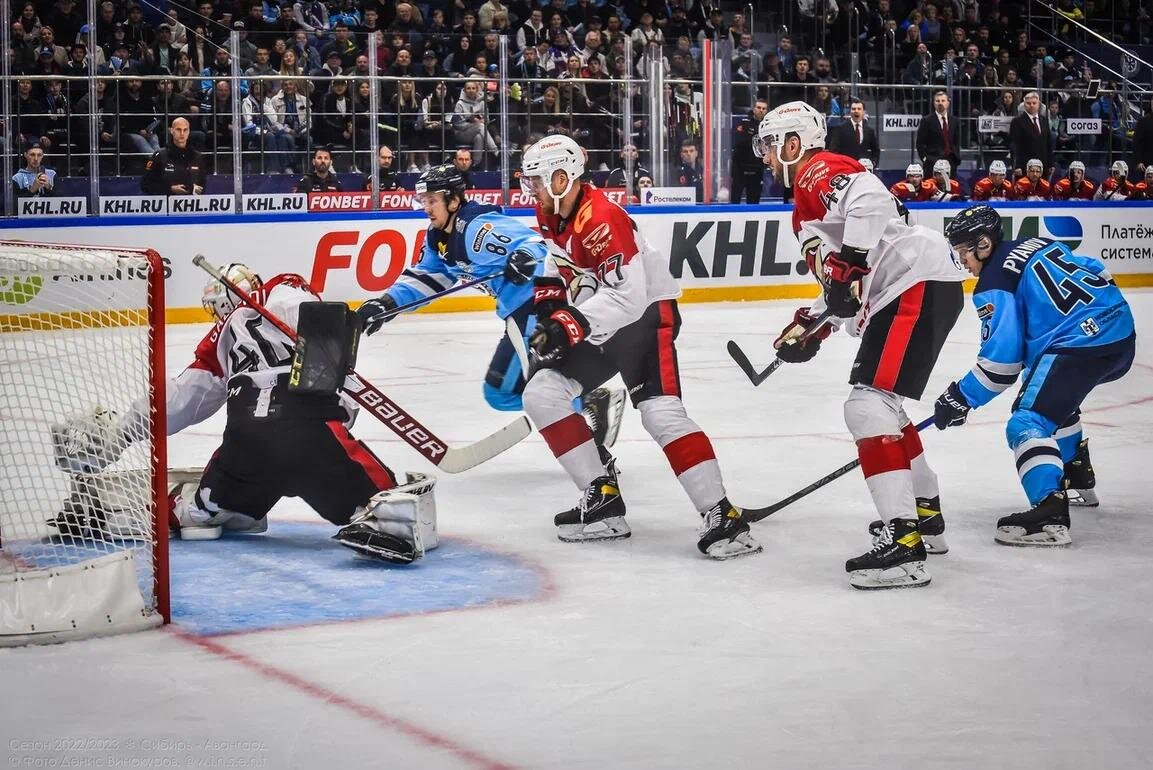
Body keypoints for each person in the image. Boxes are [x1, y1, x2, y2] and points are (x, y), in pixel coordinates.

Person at [49, 265, 434, 564]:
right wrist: (346, 354)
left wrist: (121, 432)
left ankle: (105, 516)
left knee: (195, 517)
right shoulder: (284, 290)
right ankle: (372, 514)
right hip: (308, 434)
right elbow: (324, 331)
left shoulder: (219, 339)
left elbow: (181, 400)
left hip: (244, 446)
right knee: (391, 510)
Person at [516, 134, 761, 560]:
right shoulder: (550, 212)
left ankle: (724, 517)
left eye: (536, 180)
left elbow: (629, 297)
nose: (531, 188)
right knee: (542, 393)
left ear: (561, 177)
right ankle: (602, 499)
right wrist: (549, 309)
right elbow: (561, 268)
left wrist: (568, 323)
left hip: (647, 318)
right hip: (602, 322)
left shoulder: (602, 218)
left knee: (660, 414)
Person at [756, 101, 967, 589]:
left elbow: (872, 201)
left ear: (793, 143)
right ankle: (924, 516)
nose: (766, 156)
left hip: (911, 282)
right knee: (883, 407)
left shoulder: (816, 170)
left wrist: (848, 267)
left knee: (867, 407)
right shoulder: (805, 203)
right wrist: (812, 325)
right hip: (909, 285)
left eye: (770, 145)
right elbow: (842, 286)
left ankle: (904, 545)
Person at [356, 163, 625, 448]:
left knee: (542, 386)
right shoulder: (438, 239)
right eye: (424, 201)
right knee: (499, 392)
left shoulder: (477, 228)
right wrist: (384, 304)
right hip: (515, 314)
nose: (427, 207)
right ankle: (591, 402)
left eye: (432, 200)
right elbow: (427, 278)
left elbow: (535, 243)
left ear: (454, 199)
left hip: (536, 305)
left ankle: (589, 448)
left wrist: (523, 257)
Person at [933, 205, 1135, 545]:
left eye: (962, 251)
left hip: (1080, 346)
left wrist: (960, 397)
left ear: (983, 244)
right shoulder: (1037, 242)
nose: (962, 262)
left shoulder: (993, 282)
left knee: (1026, 422)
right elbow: (1096, 269)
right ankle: (1075, 473)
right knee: (1053, 399)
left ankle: (1049, 512)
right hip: (1121, 334)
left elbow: (1002, 364)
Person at [141, 118, 206, 195]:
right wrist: (169, 189)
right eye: (178, 129)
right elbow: (145, 185)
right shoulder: (160, 155)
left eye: (185, 130)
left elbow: (202, 186)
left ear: (189, 132)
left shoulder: (197, 157)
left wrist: (195, 189)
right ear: (172, 131)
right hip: (166, 204)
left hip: (190, 204)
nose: (182, 133)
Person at [731, 99, 768, 203]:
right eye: (759, 107)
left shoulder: (768, 126)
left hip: (757, 168)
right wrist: (755, 136)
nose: (761, 110)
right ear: (754, 109)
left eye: (764, 108)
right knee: (735, 198)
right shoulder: (744, 123)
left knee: (754, 199)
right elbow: (738, 142)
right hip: (740, 167)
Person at [1009, 91, 1053, 180]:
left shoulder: (1044, 120)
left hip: (1043, 166)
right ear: (1024, 105)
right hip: (1025, 166)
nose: (1032, 105)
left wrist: (1051, 163)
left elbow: (1048, 143)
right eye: (1029, 103)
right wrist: (1016, 165)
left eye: (1034, 103)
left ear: (1038, 105)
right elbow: (1014, 145)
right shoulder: (1017, 121)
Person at [916, 90, 960, 176]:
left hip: (951, 162)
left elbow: (956, 142)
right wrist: (925, 159)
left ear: (948, 103)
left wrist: (956, 156)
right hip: (932, 162)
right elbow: (919, 144)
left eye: (943, 101)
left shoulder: (954, 120)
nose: (940, 103)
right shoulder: (926, 120)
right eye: (937, 101)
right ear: (934, 103)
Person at [827, 97, 880, 167]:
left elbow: (876, 150)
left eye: (859, 109)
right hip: (846, 169)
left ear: (864, 112)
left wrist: (873, 163)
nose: (856, 111)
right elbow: (833, 150)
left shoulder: (869, 130)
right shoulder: (840, 128)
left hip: (864, 170)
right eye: (853, 109)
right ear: (850, 112)